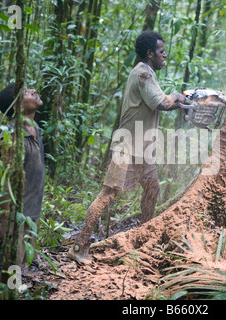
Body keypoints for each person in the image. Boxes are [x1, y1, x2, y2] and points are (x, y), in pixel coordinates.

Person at [68, 31, 186, 263]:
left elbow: (159, 104)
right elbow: (162, 102)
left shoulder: (148, 72)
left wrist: (183, 101)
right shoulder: (143, 73)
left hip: (142, 149)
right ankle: (79, 246)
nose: (165, 55)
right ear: (150, 54)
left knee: (152, 189)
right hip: (127, 147)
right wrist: (175, 96)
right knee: (107, 195)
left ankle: (143, 238)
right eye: (162, 52)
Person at [0, 83, 45, 299]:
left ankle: (8, 295)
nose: (33, 91)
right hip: (10, 216)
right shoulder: (12, 137)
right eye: (25, 92)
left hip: (28, 215)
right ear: (16, 107)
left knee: (15, 265)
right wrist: (6, 222)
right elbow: (5, 183)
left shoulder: (36, 130)